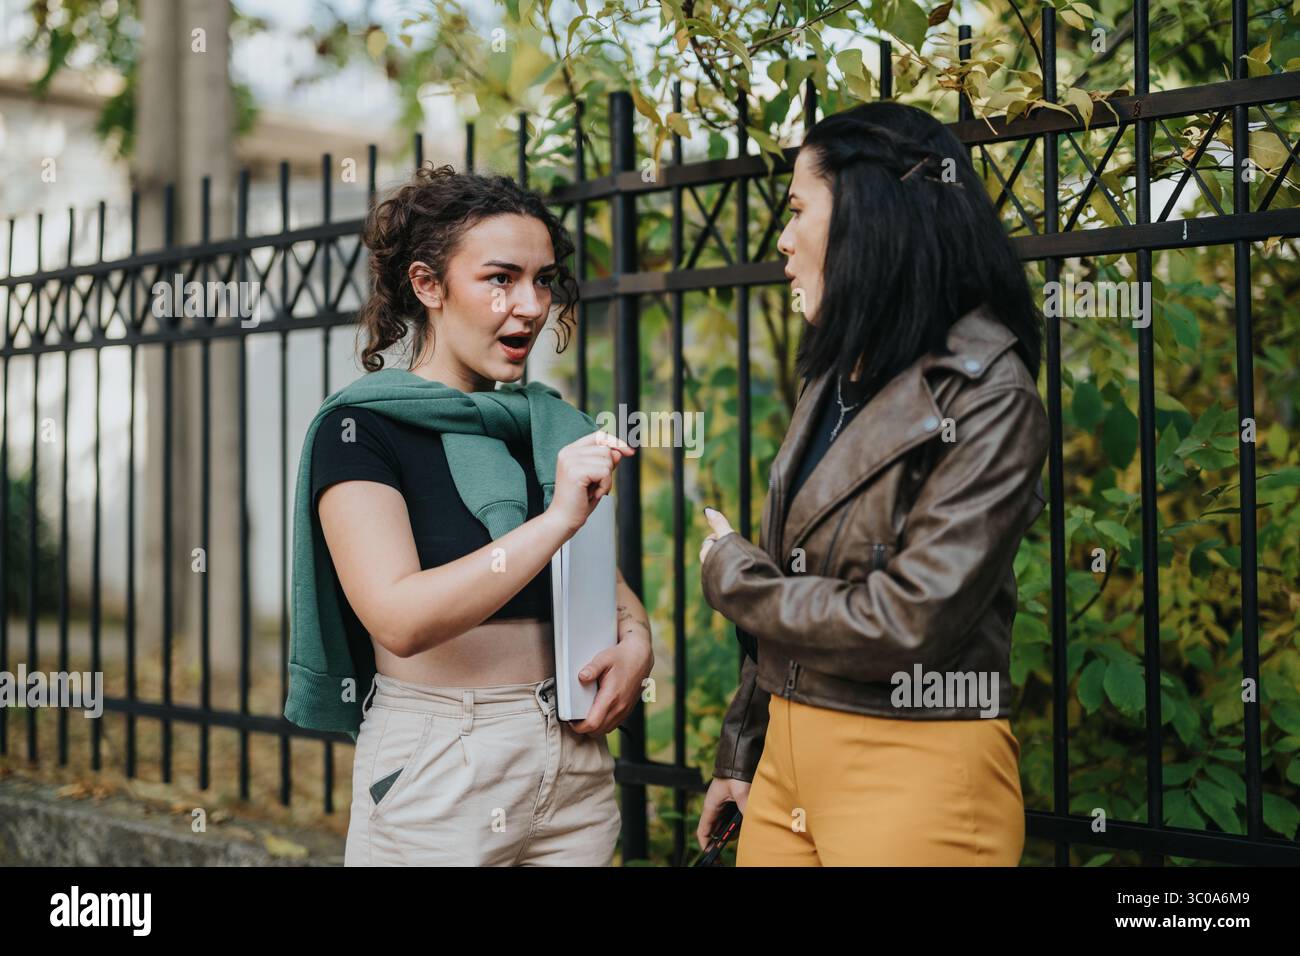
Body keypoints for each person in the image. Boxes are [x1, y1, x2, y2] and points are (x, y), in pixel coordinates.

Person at [696, 101, 1050, 866]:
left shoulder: (987, 392)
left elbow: (907, 622)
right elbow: (808, 584)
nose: (783, 242)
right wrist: (743, 747)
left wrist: (732, 573)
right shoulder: (836, 374)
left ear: (870, 215)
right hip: (785, 760)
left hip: (915, 760)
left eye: (796, 210)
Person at [287, 163, 652, 866]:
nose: (531, 304)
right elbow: (399, 618)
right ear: (428, 285)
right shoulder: (363, 429)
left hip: (572, 762)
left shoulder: (549, 425)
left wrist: (637, 638)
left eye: (544, 279)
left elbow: (600, 586)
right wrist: (553, 521)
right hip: (439, 763)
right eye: (500, 278)